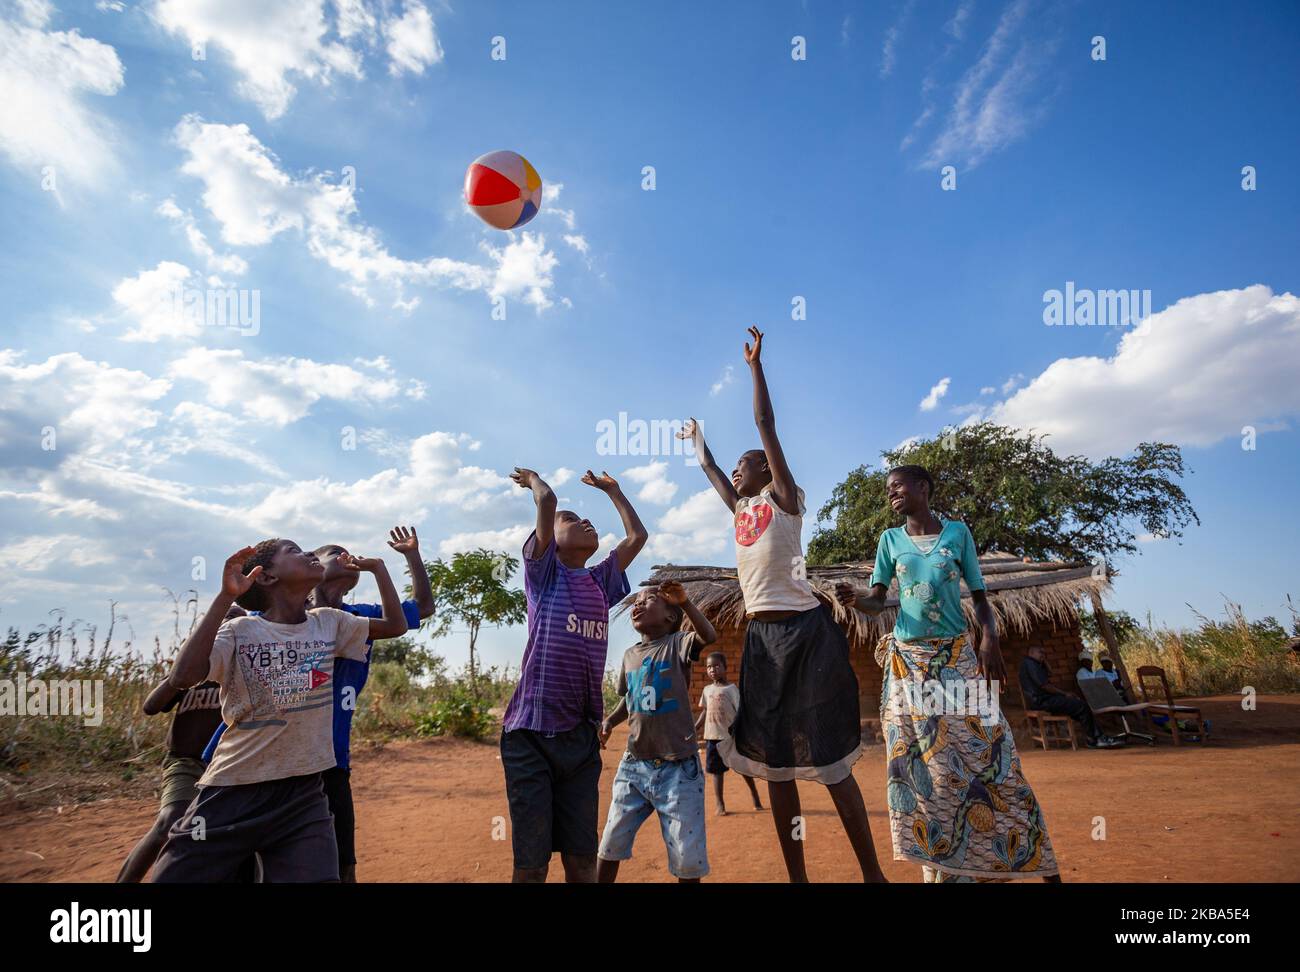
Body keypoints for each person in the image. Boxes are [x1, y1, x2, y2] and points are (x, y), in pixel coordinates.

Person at [678, 327, 885, 883]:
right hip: (764, 644)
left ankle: (873, 874)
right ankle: (798, 878)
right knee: (775, 765)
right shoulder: (743, 512)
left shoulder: (786, 500)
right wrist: (700, 446)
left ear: (768, 470)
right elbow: (717, 477)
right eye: (739, 472)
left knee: (827, 758)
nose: (740, 475)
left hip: (806, 634)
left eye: (748, 467)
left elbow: (766, 427)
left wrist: (754, 369)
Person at [837, 464, 1062, 882]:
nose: (892, 494)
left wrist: (989, 638)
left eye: (899, 486)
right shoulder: (890, 541)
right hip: (910, 666)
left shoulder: (957, 534)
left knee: (995, 757)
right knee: (922, 766)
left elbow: (979, 596)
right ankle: (945, 868)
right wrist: (857, 600)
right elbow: (879, 601)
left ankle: (1036, 860)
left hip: (957, 661)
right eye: (889, 490)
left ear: (923, 487)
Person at [150, 540, 408, 882]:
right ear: (267, 577)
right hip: (235, 789)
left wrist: (377, 568)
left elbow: (396, 625)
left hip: (304, 796)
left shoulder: (330, 623)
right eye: (294, 550)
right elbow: (183, 677)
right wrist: (225, 596)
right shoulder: (240, 631)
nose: (307, 555)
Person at [500, 467, 646, 883]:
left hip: (580, 739)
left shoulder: (600, 581)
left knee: (582, 861)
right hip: (531, 736)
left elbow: (637, 537)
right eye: (571, 520)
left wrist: (615, 492)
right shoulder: (545, 574)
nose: (583, 521)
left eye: (585, 520)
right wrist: (533, 481)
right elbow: (547, 503)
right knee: (532, 865)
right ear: (551, 543)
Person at [596, 581, 716, 882]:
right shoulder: (629, 655)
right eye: (636, 601)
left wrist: (686, 602)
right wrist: (610, 720)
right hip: (634, 766)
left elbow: (709, 635)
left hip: (679, 769)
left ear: (670, 617)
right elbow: (630, 699)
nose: (638, 604)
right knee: (609, 844)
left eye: (648, 601)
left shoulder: (678, 643)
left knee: (687, 859)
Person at [114, 604, 242, 883]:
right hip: (186, 761)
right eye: (224, 622)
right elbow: (151, 706)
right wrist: (180, 676)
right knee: (169, 821)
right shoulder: (192, 671)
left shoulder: (241, 674)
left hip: (229, 766)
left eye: (236, 624)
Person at [694, 652, 763, 815]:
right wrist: (696, 727)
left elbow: (740, 712)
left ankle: (755, 796)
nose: (712, 670)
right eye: (709, 667)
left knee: (743, 768)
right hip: (712, 738)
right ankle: (720, 804)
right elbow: (705, 710)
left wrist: (743, 731)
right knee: (716, 771)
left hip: (731, 738)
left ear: (725, 668)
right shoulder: (707, 689)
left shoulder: (732, 689)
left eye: (716, 666)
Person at [1021, 644, 1123, 750]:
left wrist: (1044, 661)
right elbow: (1045, 686)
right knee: (1081, 706)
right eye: (1040, 652)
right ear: (1031, 653)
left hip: (1043, 700)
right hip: (1042, 701)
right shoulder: (1030, 664)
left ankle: (1095, 738)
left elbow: (1050, 673)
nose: (1043, 655)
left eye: (1044, 653)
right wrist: (1064, 693)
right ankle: (1096, 739)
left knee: (1078, 706)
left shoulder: (1034, 664)